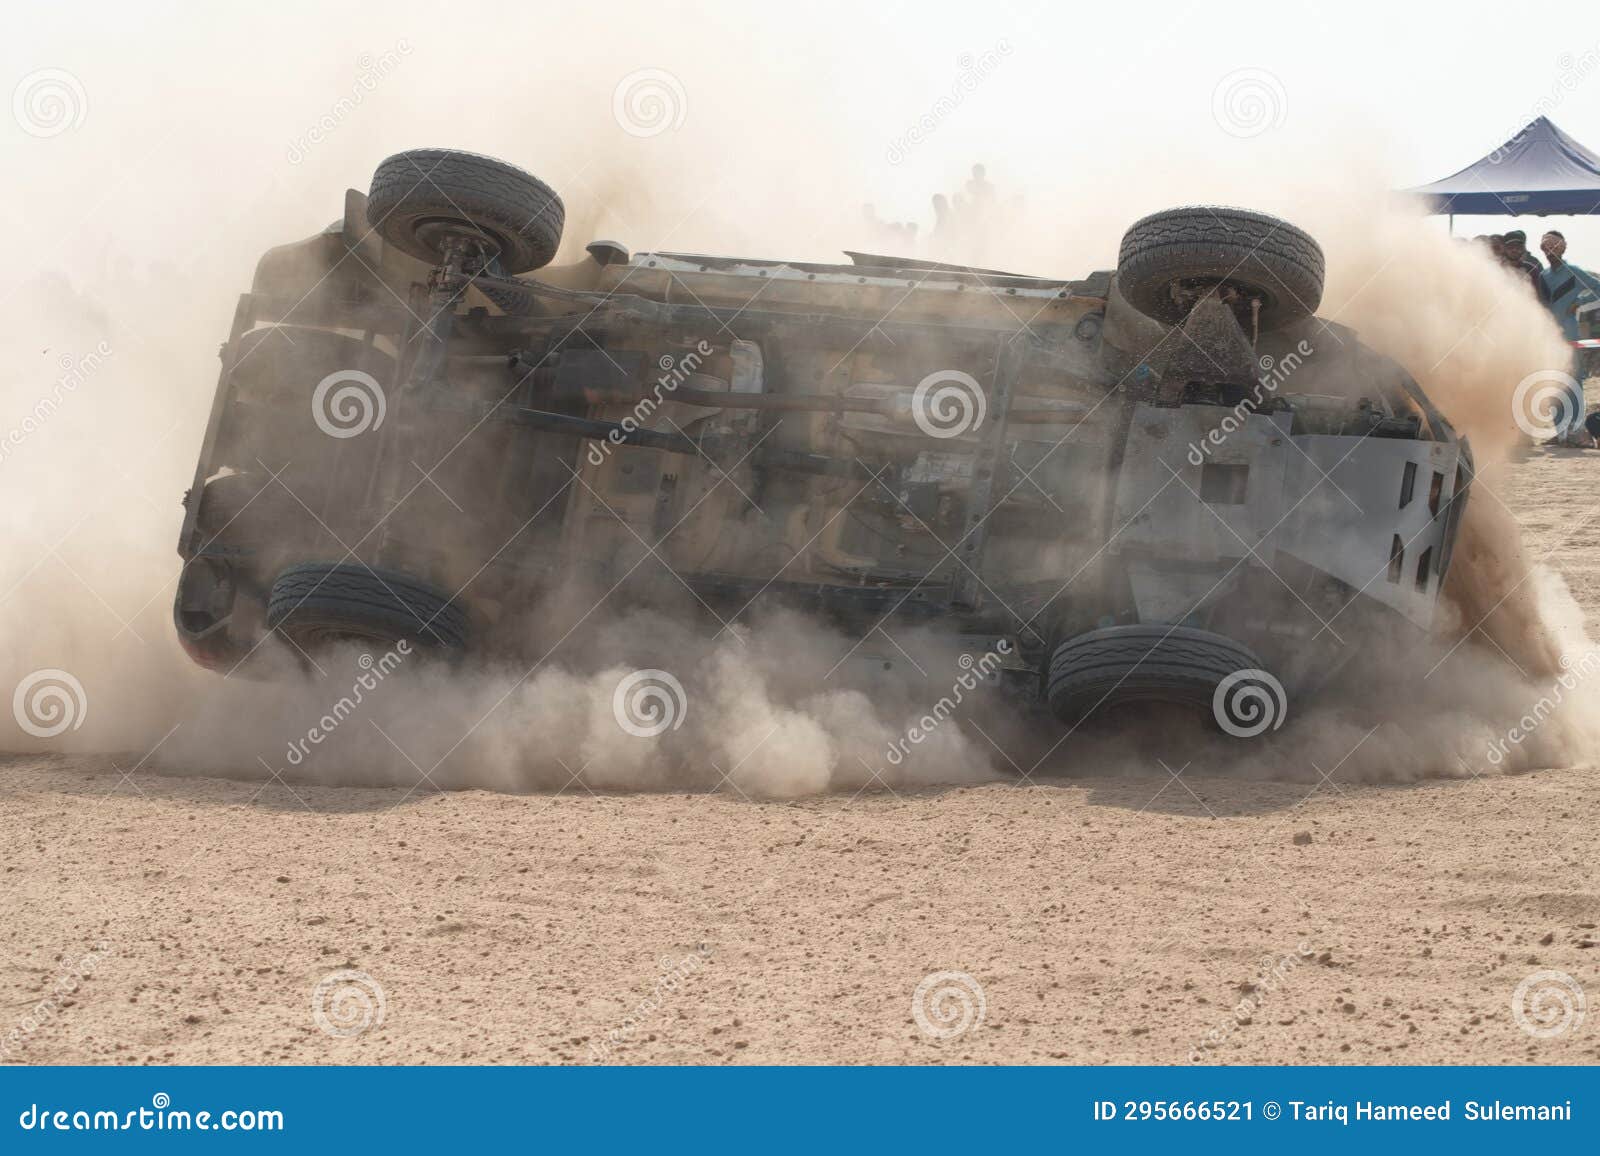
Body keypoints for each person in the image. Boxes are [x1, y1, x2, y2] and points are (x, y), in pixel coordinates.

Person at [1540, 230, 1600, 446]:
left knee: (1573, 382)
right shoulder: (1543, 276)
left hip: (1570, 334)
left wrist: (1580, 303)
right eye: (1546, 246)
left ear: (1563, 248)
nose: (1550, 250)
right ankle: (1561, 431)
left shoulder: (1572, 271)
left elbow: (1597, 288)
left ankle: (1576, 431)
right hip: (1549, 336)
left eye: (1554, 246)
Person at [1502, 230, 1552, 305]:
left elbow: (1541, 297)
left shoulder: (1531, 269)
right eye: (1511, 247)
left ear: (1523, 249)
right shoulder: (1495, 269)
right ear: (1505, 248)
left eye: (1518, 247)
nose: (1514, 250)